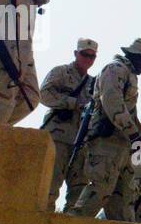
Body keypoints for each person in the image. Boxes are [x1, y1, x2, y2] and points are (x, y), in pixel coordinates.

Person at [67, 39, 141, 219]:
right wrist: (134, 134)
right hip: (106, 141)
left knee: (123, 204)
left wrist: (138, 140)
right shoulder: (115, 69)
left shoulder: (130, 76)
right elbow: (112, 103)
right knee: (98, 191)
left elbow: (130, 113)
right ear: (135, 56)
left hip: (123, 144)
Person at [39, 40, 99, 210]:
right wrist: (71, 103)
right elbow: (43, 94)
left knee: (79, 190)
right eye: (85, 54)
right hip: (58, 137)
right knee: (50, 184)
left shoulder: (94, 83)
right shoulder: (61, 72)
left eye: (92, 56)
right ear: (76, 53)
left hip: (81, 141)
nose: (88, 58)